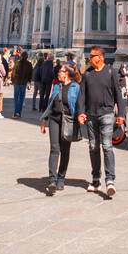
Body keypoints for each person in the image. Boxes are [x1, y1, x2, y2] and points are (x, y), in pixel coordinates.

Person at [77, 46, 123, 199]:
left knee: (107, 146)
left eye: (93, 56)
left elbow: (118, 94)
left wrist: (121, 114)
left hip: (107, 114)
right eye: (90, 56)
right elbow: (82, 95)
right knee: (93, 146)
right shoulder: (88, 73)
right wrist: (81, 112)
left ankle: (110, 181)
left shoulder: (111, 72)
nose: (90, 58)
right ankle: (96, 179)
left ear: (101, 57)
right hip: (91, 115)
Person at [39, 63, 81, 196]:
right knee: (54, 149)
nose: (58, 73)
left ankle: (61, 178)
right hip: (54, 119)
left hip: (68, 121)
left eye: (61, 71)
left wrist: (80, 117)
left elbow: (79, 105)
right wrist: (44, 119)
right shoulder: (57, 86)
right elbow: (50, 104)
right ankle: (52, 180)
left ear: (67, 73)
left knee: (65, 150)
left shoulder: (75, 87)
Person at [12, 49, 33, 118]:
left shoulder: (17, 63)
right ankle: (19, 113)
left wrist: (13, 80)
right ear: (27, 57)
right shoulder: (29, 64)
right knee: (21, 98)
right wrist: (29, 82)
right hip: (23, 83)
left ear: (21, 56)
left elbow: (13, 73)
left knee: (16, 98)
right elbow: (30, 74)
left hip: (17, 82)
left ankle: (16, 112)